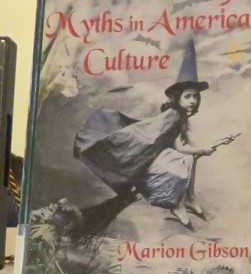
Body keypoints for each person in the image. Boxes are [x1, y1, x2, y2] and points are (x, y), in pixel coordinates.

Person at [73, 77, 238, 234]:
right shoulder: (173, 115)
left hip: (160, 154)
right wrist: (202, 151)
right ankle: (178, 205)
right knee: (185, 158)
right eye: (187, 96)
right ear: (178, 99)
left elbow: (187, 143)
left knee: (190, 158)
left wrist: (213, 145)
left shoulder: (181, 117)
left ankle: (191, 199)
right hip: (152, 158)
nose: (193, 100)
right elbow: (180, 148)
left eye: (195, 96)